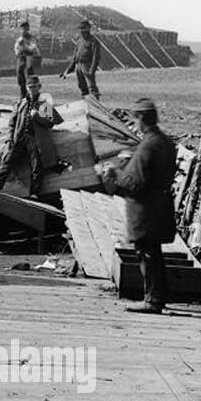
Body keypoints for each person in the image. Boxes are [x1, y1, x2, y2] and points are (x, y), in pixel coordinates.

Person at [102, 98, 178, 314]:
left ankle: (152, 300)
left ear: (141, 119)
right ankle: (158, 297)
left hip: (145, 209)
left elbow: (136, 183)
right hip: (160, 205)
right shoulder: (165, 142)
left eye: (134, 120)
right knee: (154, 254)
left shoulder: (148, 145)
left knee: (147, 254)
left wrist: (116, 173)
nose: (133, 125)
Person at [0, 75, 60, 198]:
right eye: (30, 87)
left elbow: (50, 124)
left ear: (39, 87)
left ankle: (34, 193)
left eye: (35, 87)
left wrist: (37, 116)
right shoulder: (20, 103)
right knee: (7, 159)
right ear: (27, 88)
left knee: (36, 164)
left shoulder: (44, 105)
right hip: (19, 137)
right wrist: (10, 139)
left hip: (35, 139)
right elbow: (12, 123)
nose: (32, 89)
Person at [61, 19, 102, 99]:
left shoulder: (93, 41)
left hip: (88, 65)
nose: (83, 31)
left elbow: (96, 57)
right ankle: (85, 102)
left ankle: (96, 104)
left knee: (91, 86)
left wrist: (91, 70)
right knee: (82, 86)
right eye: (81, 29)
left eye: (84, 28)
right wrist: (67, 71)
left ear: (88, 29)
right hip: (78, 65)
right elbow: (75, 57)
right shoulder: (79, 42)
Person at [14, 20, 41, 94]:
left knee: (30, 77)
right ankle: (23, 94)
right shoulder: (19, 39)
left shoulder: (31, 38)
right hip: (20, 58)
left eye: (25, 29)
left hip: (29, 58)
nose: (23, 31)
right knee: (20, 77)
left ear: (27, 29)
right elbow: (16, 49)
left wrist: (24, 46)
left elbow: (33, 48)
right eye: (22, 29)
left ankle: (31, 94)